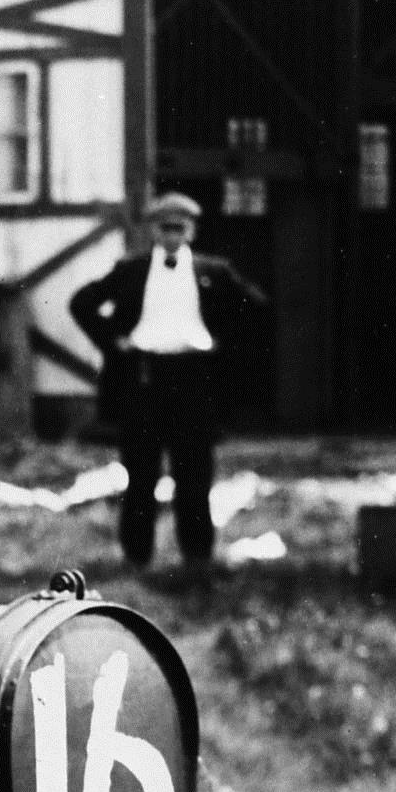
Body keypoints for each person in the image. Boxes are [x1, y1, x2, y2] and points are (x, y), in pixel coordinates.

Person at [67, 190, 265, 583]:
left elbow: (255, 307)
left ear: (191, 231)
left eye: (180, 227)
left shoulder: (214, 272)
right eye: (164, 228)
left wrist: (222, 343)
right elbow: (82, 302)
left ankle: (197, 558)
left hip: (195, 379)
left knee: (194, 474)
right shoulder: (131, 271)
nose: (172, 235)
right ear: (153, 231)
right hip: (144, 379)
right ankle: (136, 559)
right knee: (141, 474)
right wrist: (114, 340)